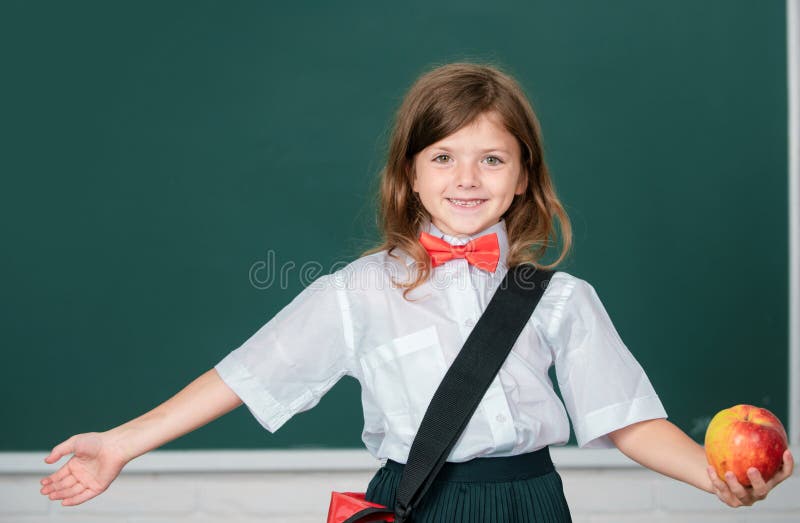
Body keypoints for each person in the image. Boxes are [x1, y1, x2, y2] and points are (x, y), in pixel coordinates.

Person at [39, 62, 794, 521]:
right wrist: (122, 443)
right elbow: (249, 372)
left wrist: (714, 473)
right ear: (410, 174)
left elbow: (627, 418)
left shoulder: (562, 299)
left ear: (523, 174)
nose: (467, 178)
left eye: (492, 158)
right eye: (443, 156)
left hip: (530, 502)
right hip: (416, 501)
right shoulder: (361, 289)